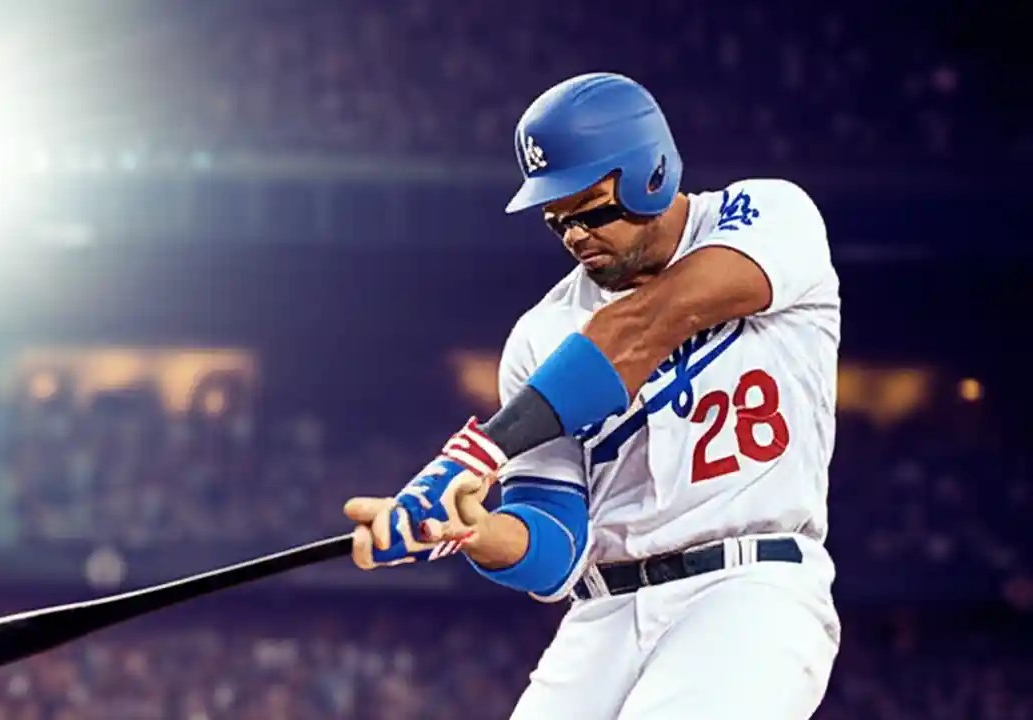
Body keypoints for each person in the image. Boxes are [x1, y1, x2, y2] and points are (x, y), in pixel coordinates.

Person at [343, 73, 842, 719]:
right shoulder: (540, 334)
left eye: (592, 211)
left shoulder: (770, 217)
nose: (576, 236)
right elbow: (553, 552)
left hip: (749, 587)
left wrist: (470, 457)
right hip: (603, 611)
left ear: (653, 174)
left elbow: (646, 323)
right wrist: (466, 527)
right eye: (557, 222)